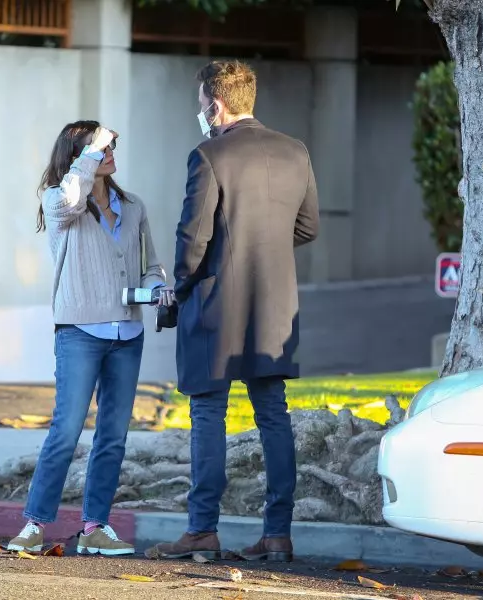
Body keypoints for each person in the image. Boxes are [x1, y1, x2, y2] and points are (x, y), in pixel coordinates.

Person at [149, 61, 320, 562]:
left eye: (201, 104)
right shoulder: (295, 151)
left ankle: (202, 530)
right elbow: (308, 227)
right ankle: (277, 533)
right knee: (273, 416)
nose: (200, 112)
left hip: (215, 306)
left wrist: (177, 290)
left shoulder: (208, 154)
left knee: (208, 415)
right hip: (274, 307)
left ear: (215, 104)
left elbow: (191, 240)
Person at [9, 121, 174, 556]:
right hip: (79, 331)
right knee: (65, 431)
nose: (109, 151)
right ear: (77, 157)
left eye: (111, 145)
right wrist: (90, 153)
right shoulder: (61, 200)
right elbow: (66, 202)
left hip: (127, 333)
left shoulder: (133, 205)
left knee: (113, 436)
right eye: (100, 148)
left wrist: (156, 287)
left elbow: (151, 263)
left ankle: (95, 527)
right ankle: (34, 524)